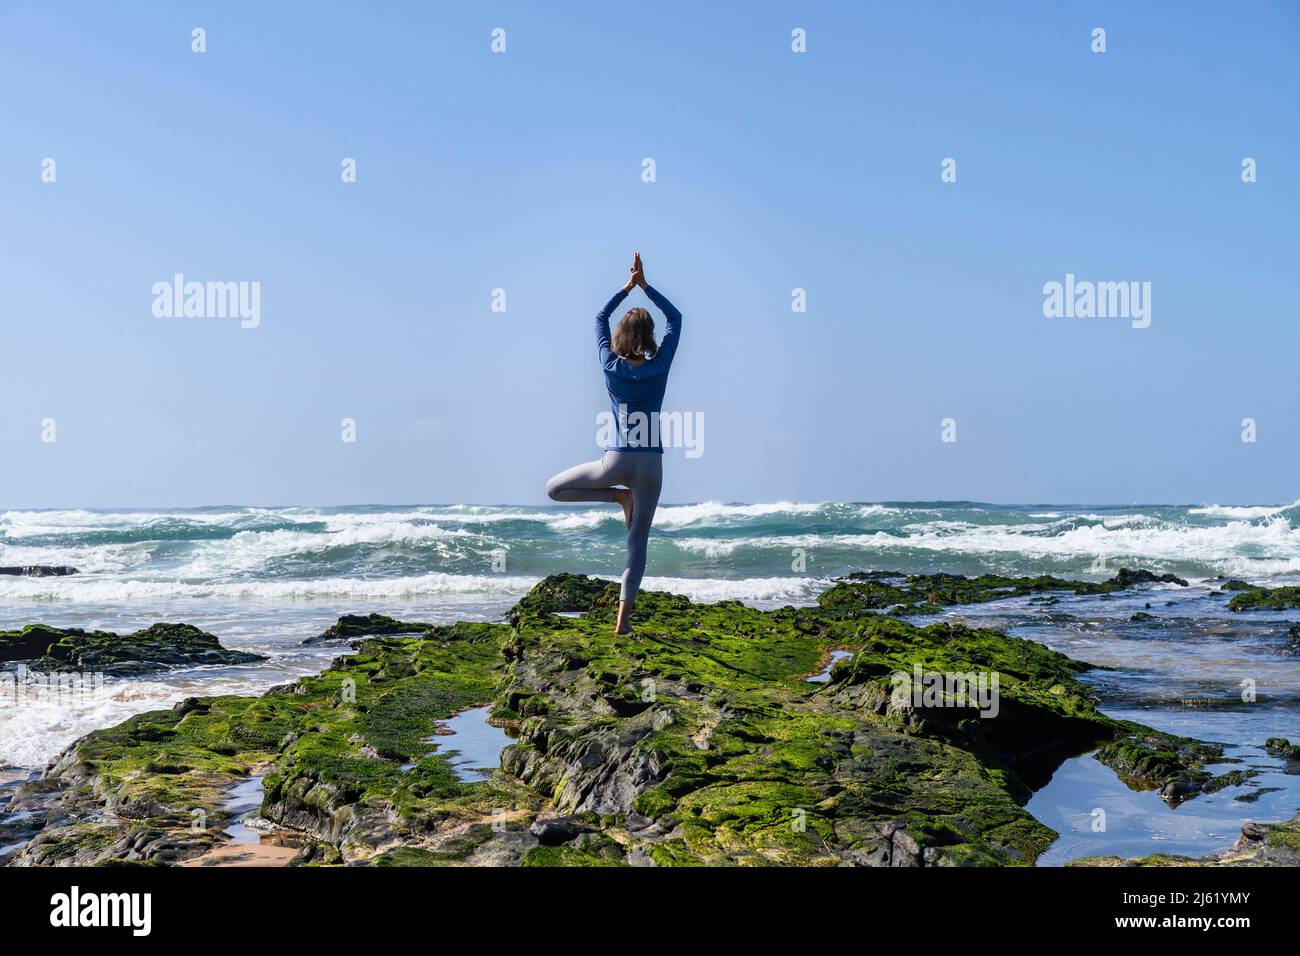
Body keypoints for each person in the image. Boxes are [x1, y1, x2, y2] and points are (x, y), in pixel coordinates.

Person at [546, 252, 683, 634]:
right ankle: (622, 625)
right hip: (650, 466)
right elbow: (677, 318)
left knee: (553, 490)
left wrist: (627, 288)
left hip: (617, 461)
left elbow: (598, 318)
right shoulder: (660, 365)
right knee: (637, 545)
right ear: (651, 337)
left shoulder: (610, 364)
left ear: (620, 337)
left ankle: (616, 497)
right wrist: (646, 286)